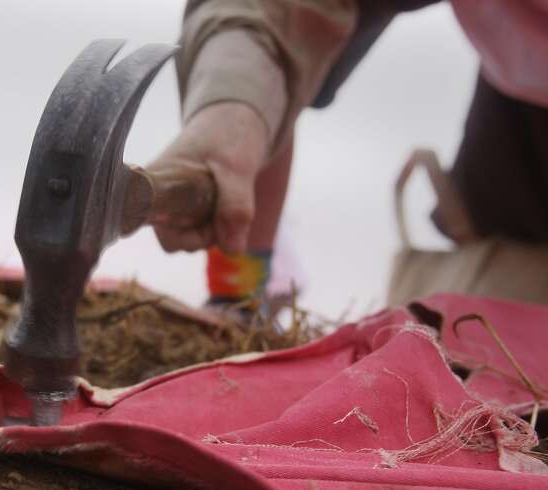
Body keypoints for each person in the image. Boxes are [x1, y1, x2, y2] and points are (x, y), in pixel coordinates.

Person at [150, 0, 548, 308]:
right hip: (521, 117)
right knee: (495, 315)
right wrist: (235, 105)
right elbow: (275, 14)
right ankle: (239, 296)